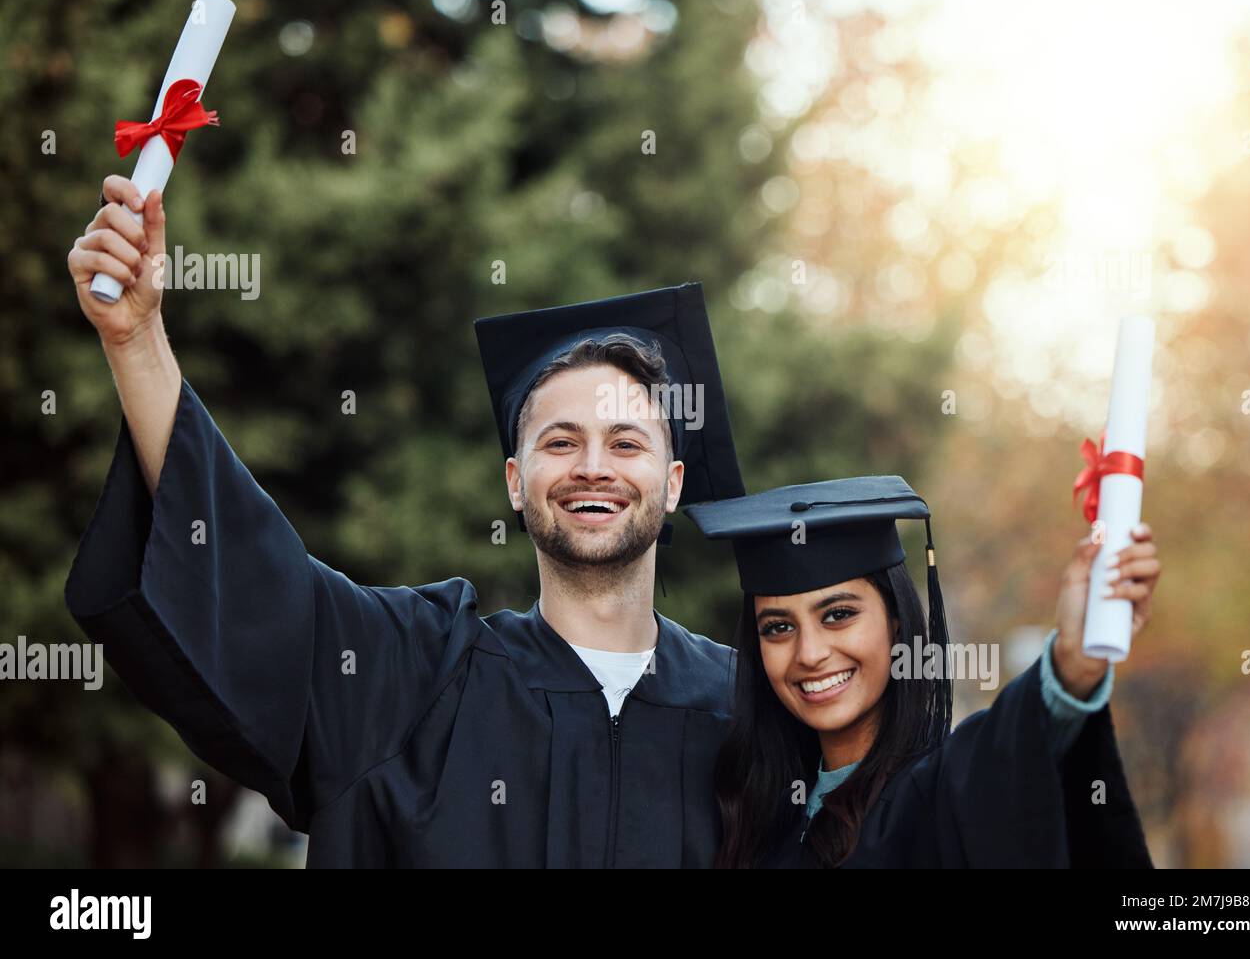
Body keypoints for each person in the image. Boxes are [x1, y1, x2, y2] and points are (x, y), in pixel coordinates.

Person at [63, 175, 746, 867]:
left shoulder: (750, 713)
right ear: (515, 482)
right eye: (560, 442)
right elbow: (247, 572)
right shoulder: (411, 680)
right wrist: (138, 337)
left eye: (626, 443)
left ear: (672, 485)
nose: (593, 467)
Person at [685, 475, 1158, 868]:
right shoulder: (748, 814)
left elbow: (1005, 755)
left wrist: (1071, 667)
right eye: (778, 627)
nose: (809, 653)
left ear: (895, 623)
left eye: (838, 615)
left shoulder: (936, 795)